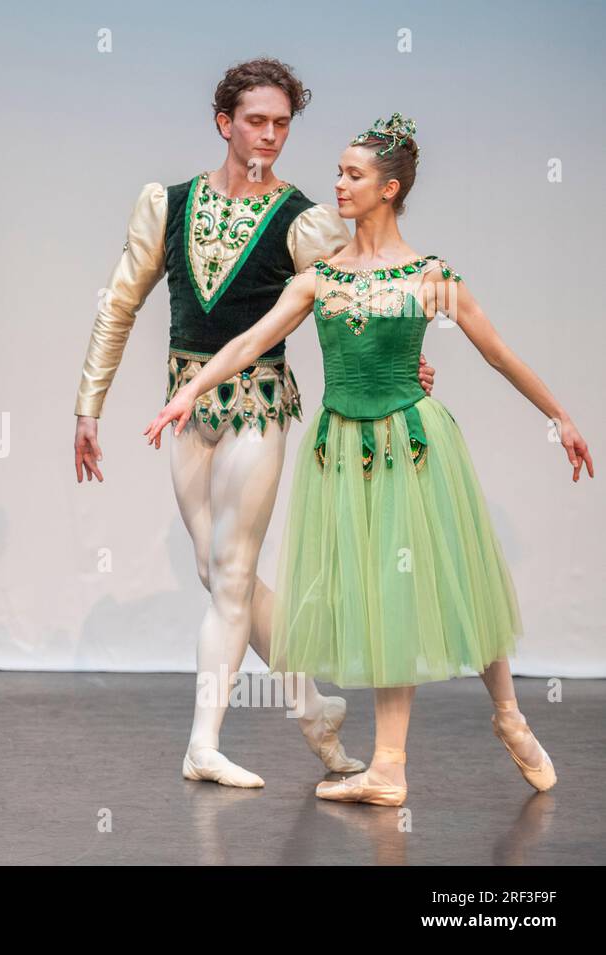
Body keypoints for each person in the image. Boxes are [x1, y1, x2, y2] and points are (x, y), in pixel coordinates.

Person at [150, 113, 593, 805]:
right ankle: (388, 767)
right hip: (345, 450)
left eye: (353, 175)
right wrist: (191, 392)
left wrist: (560, 417)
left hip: (412, 445)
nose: (338, 184)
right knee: (389, 599)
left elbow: (499, 352)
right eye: (338, 172)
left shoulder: (429, 275)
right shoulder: (321, 278)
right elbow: (247, 341)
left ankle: (507, 713)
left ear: (388, 189)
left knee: (457, 580)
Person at [73, 59, 438, 787]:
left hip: (258, 404)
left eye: (281, 123)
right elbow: (119, 303)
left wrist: (404, 368)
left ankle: (202, 742)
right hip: (186, 403)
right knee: (216, 572)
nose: (270, 135)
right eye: (256, 121)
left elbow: (358, 292)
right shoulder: (167, 203)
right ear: (224, 124)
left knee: (233, 572)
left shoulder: (305, 219)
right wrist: (89, 405)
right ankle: (309, 704)